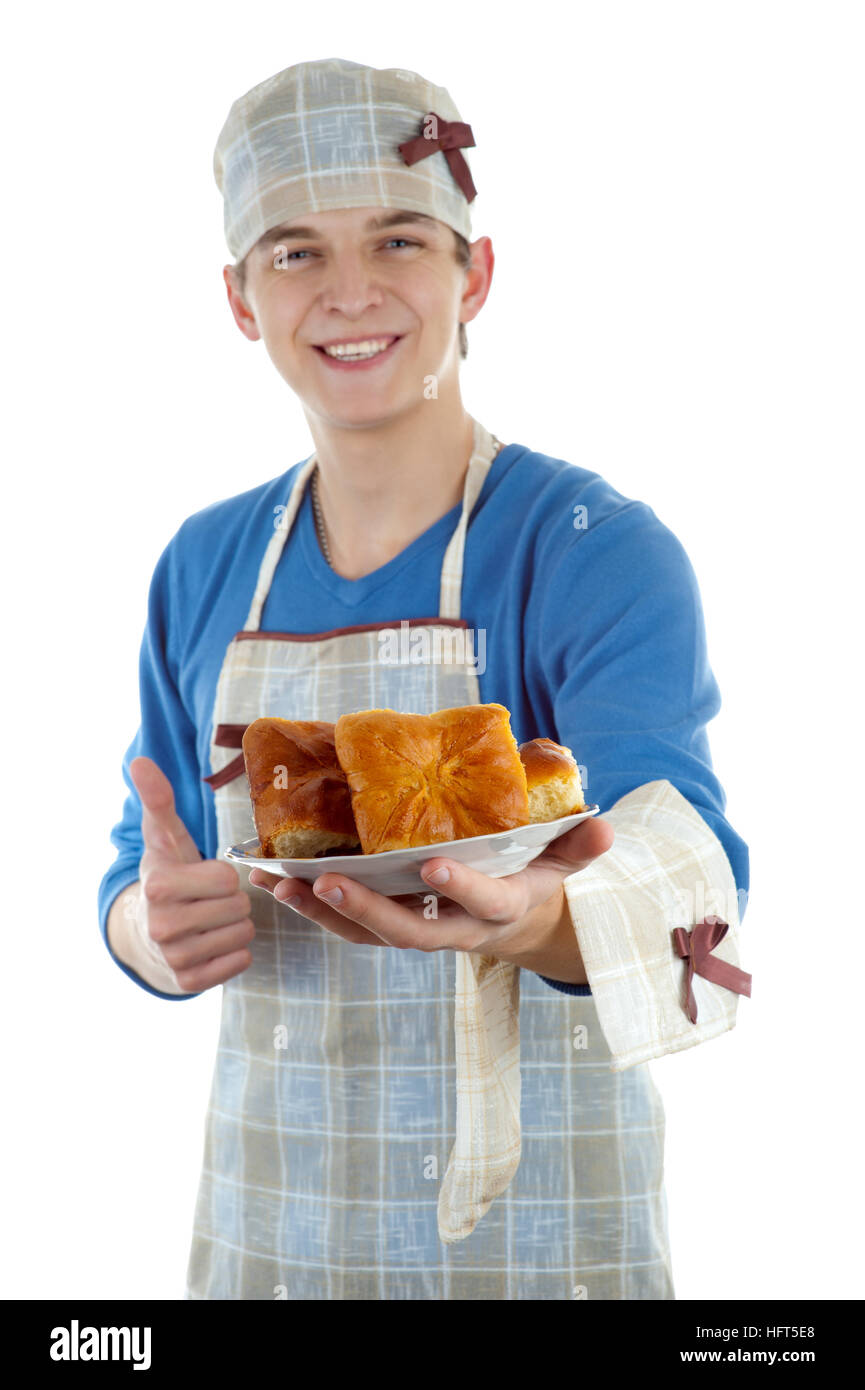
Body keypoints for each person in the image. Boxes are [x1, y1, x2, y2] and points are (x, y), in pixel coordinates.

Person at [98, 57, 751, 1301]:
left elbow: (684, 853)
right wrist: (152, 926)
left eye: (399, 240)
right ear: (240, 300)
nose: (350, 293)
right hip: (271, 1235)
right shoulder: (205, 565)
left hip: (537, 1244)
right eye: (293, 253)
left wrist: (539, 918)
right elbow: (141, 859)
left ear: (475, 275)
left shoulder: (590, 550)